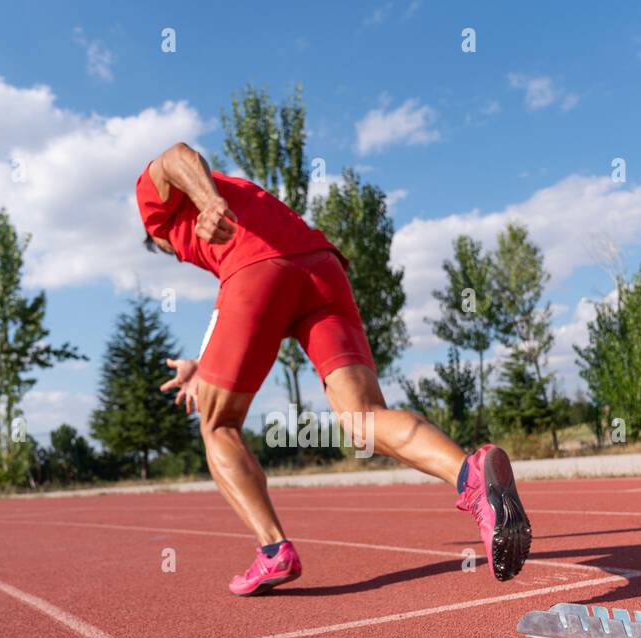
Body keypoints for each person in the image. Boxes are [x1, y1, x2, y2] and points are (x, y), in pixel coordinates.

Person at [138, 142, 531, 595]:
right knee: (363, 419)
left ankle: (272, 551)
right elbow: (232, 302)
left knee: (218, 425)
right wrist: (202, 364)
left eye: (162, 248)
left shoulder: (161, 214)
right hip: (321, 269)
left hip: (258, 272)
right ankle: (470, 475)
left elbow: (175, 156)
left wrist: (208, 204)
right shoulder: (243, 210)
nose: (170, 250)